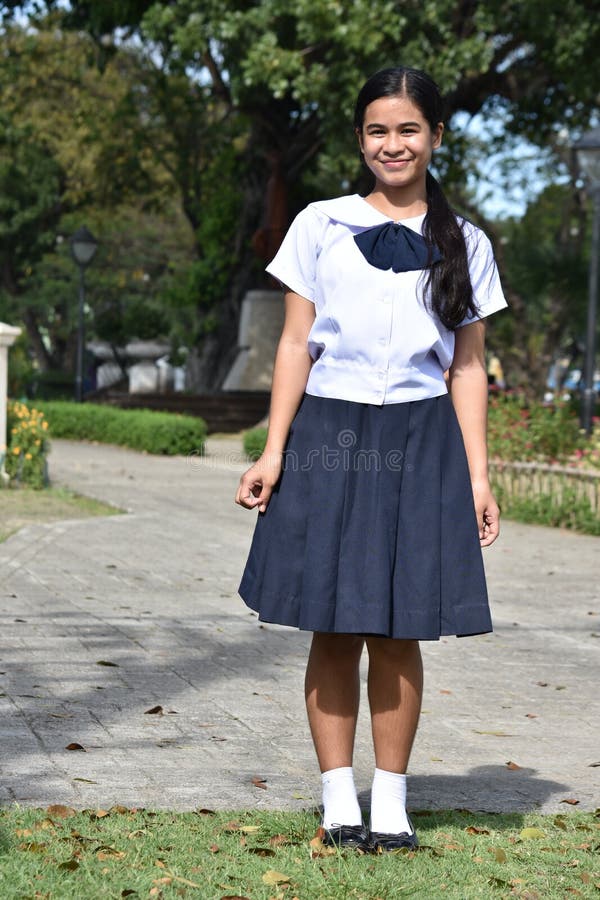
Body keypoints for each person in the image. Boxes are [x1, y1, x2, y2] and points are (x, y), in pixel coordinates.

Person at [235, 65, 507, 854]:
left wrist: (479, 476)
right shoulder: (319, 225)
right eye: (379, 130)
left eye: (409, 129)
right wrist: (273, 450)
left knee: (399, 628)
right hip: (330, 434)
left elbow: (466, 369)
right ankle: (337, 803)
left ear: (436, 138)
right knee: (331, 624)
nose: (394, 143)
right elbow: (294, 344)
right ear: (362, 139)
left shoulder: (468, 243)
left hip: (423, 441)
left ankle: (391, 805)